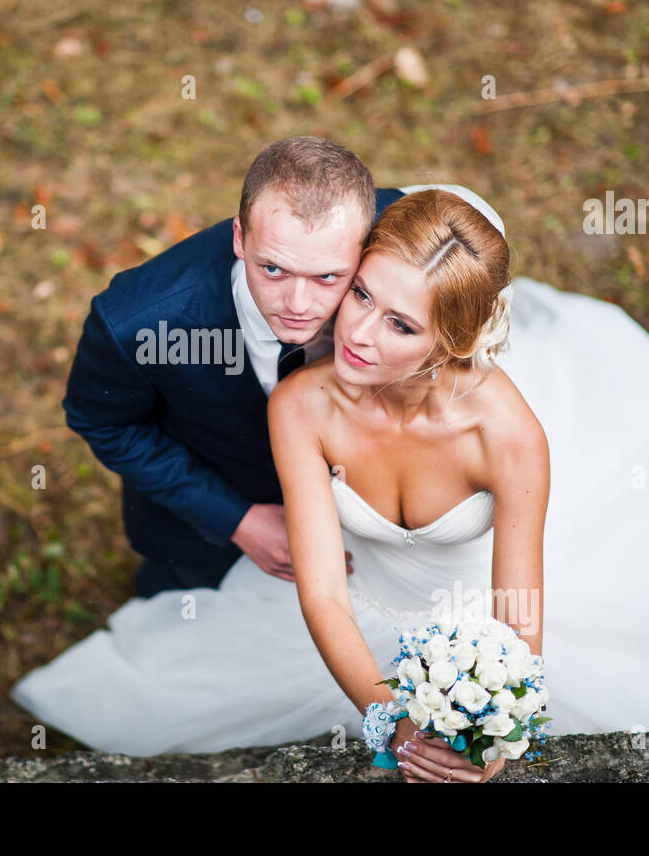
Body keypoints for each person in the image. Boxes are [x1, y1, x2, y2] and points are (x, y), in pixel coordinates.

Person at [12, 185, 649, 775]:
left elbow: (518, 614)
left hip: (475, 613)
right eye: (361, 294)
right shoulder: (302, 403)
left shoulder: (508, 437)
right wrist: (394, 722)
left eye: (401, 323)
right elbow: (323, 593)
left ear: (450, 344)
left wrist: (492, 719)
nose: (357, 333)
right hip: (352, 611)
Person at [61, 135, 404, 596]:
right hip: (209, 534)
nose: (298, 305)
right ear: (240, 237)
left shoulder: (404, 236)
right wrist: (237, 520)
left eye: (327, 276)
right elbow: (102, 422)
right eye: (273, 270)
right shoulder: (137, 322)